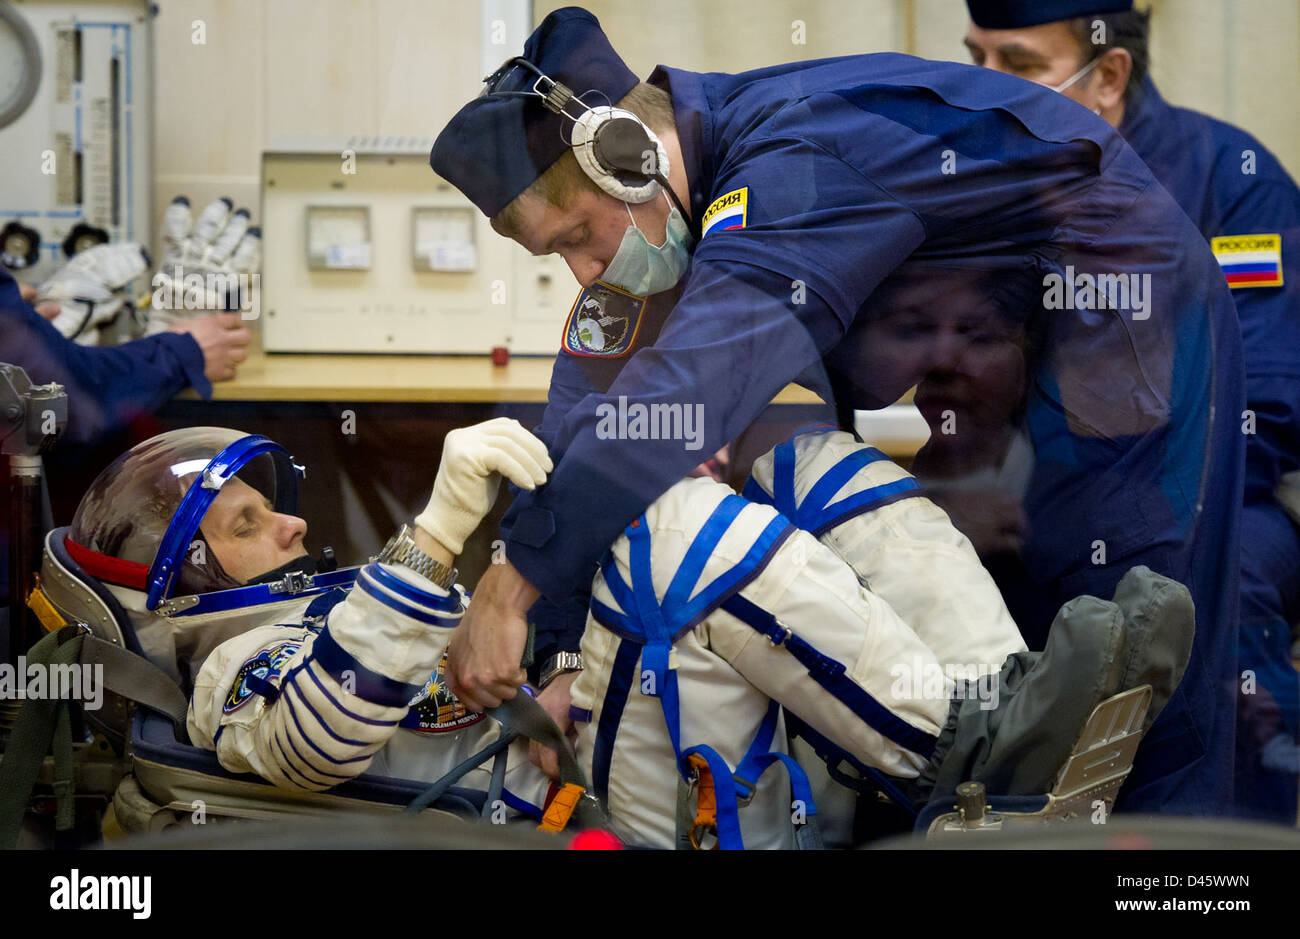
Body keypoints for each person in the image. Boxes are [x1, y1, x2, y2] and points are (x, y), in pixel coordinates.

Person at [429, 6, 1245, 816]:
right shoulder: (677, 205)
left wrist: (510, 590)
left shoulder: (792, 160)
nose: (583, 273)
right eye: (555, 254)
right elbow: (585, 408)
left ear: (630, 155)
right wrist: (561, 647)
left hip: (1121, 307)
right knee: (1019, 636)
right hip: (1000, 324)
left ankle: (1173, 881)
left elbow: (688, 389)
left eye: (579, 234)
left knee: (1130, 639)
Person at [962, 0, 1300, 822]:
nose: (984, 91)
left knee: (1215, 588)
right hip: (1037, 497)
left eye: (1020, 64)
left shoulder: (1229, 180)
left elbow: (1267, 399)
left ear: (1108, 72)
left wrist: (1124, 503)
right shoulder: (984, 186)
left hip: (1218, 498)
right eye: (975, 59)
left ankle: (1233, 849)